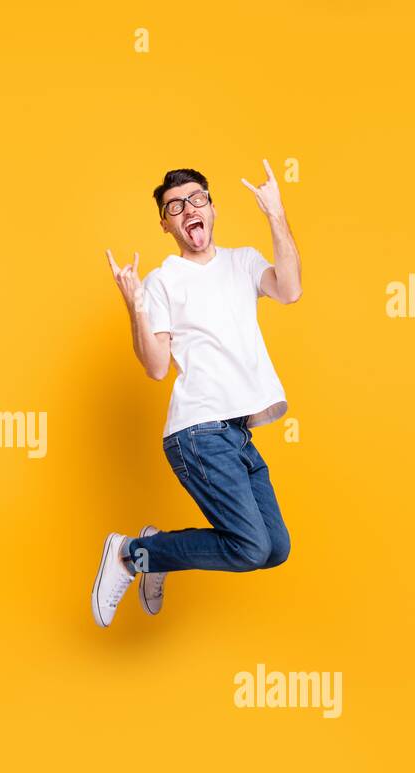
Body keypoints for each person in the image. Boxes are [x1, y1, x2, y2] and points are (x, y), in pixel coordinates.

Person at [92, 162, 302, 627]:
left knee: (274, 549)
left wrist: (275, 213)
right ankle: (130, 554)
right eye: (174, 206)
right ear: (166, 224)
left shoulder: (243, 261)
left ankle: (155, 554)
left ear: (211, 207)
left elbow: (290, 290)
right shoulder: (164, 280)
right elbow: (155, 366)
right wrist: (134, 305)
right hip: (197, 431)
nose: (188, 209)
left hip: (238, 433)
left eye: (196, 199)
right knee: (249, 546)